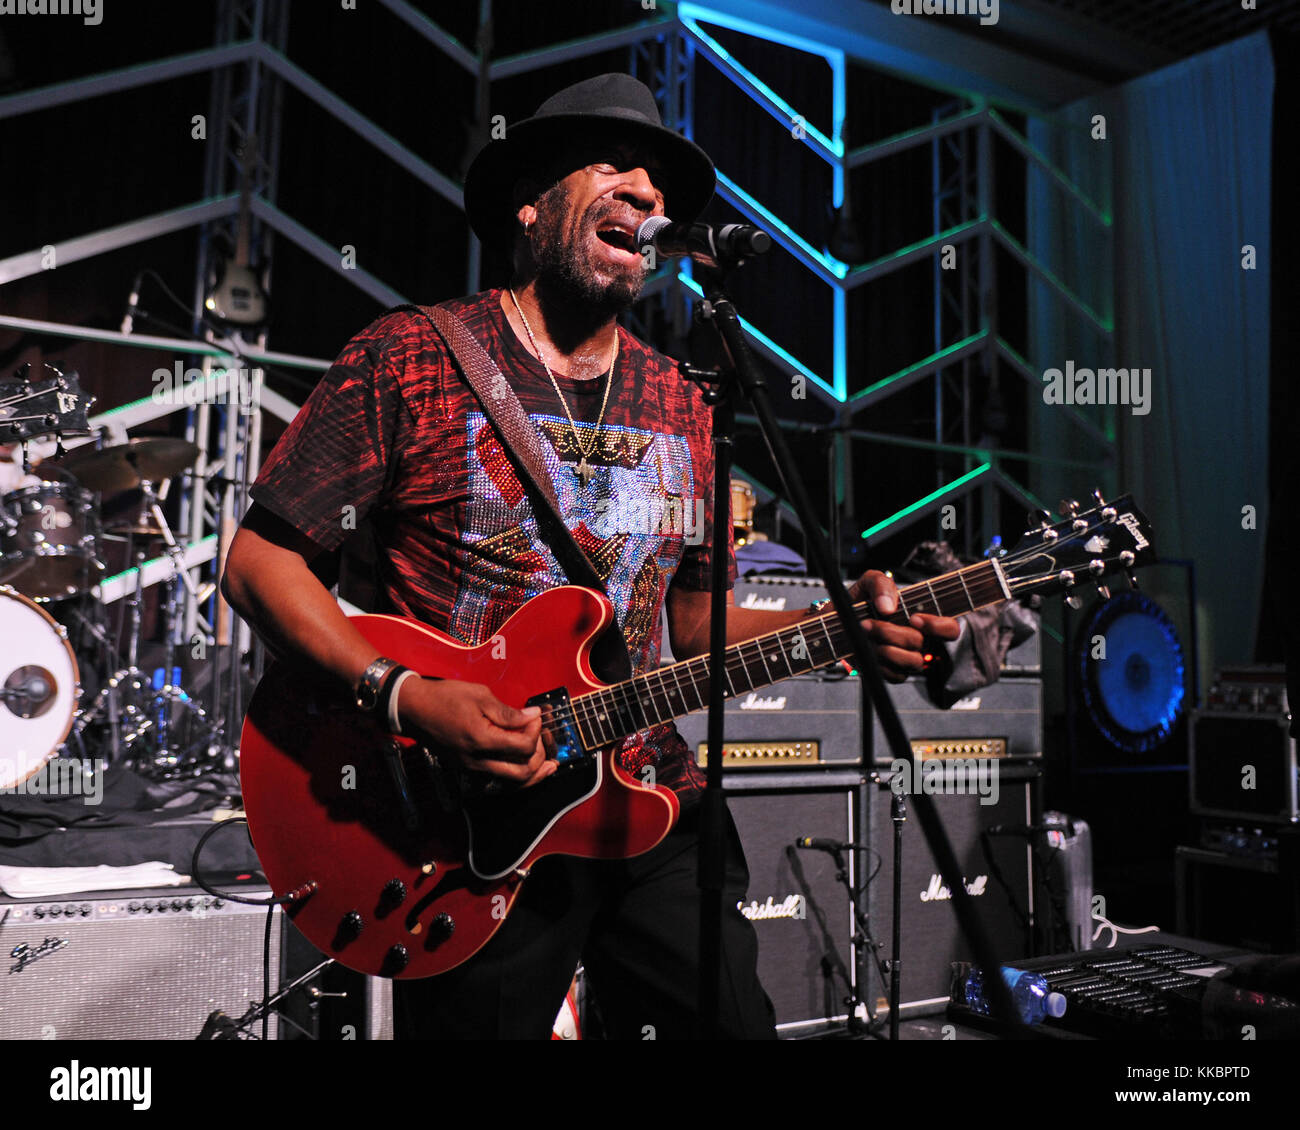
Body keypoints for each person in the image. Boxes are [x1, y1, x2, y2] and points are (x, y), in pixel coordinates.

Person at [221, 72, 960, 1039]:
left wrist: (836, 629)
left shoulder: (688, 403)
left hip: (650, 799)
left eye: (659, 188)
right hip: (461, 823)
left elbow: (685, 623)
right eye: (613, 167)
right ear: (531, 204)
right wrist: (405, 694)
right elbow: (259, 563)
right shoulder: (412, 357)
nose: (649, 196)